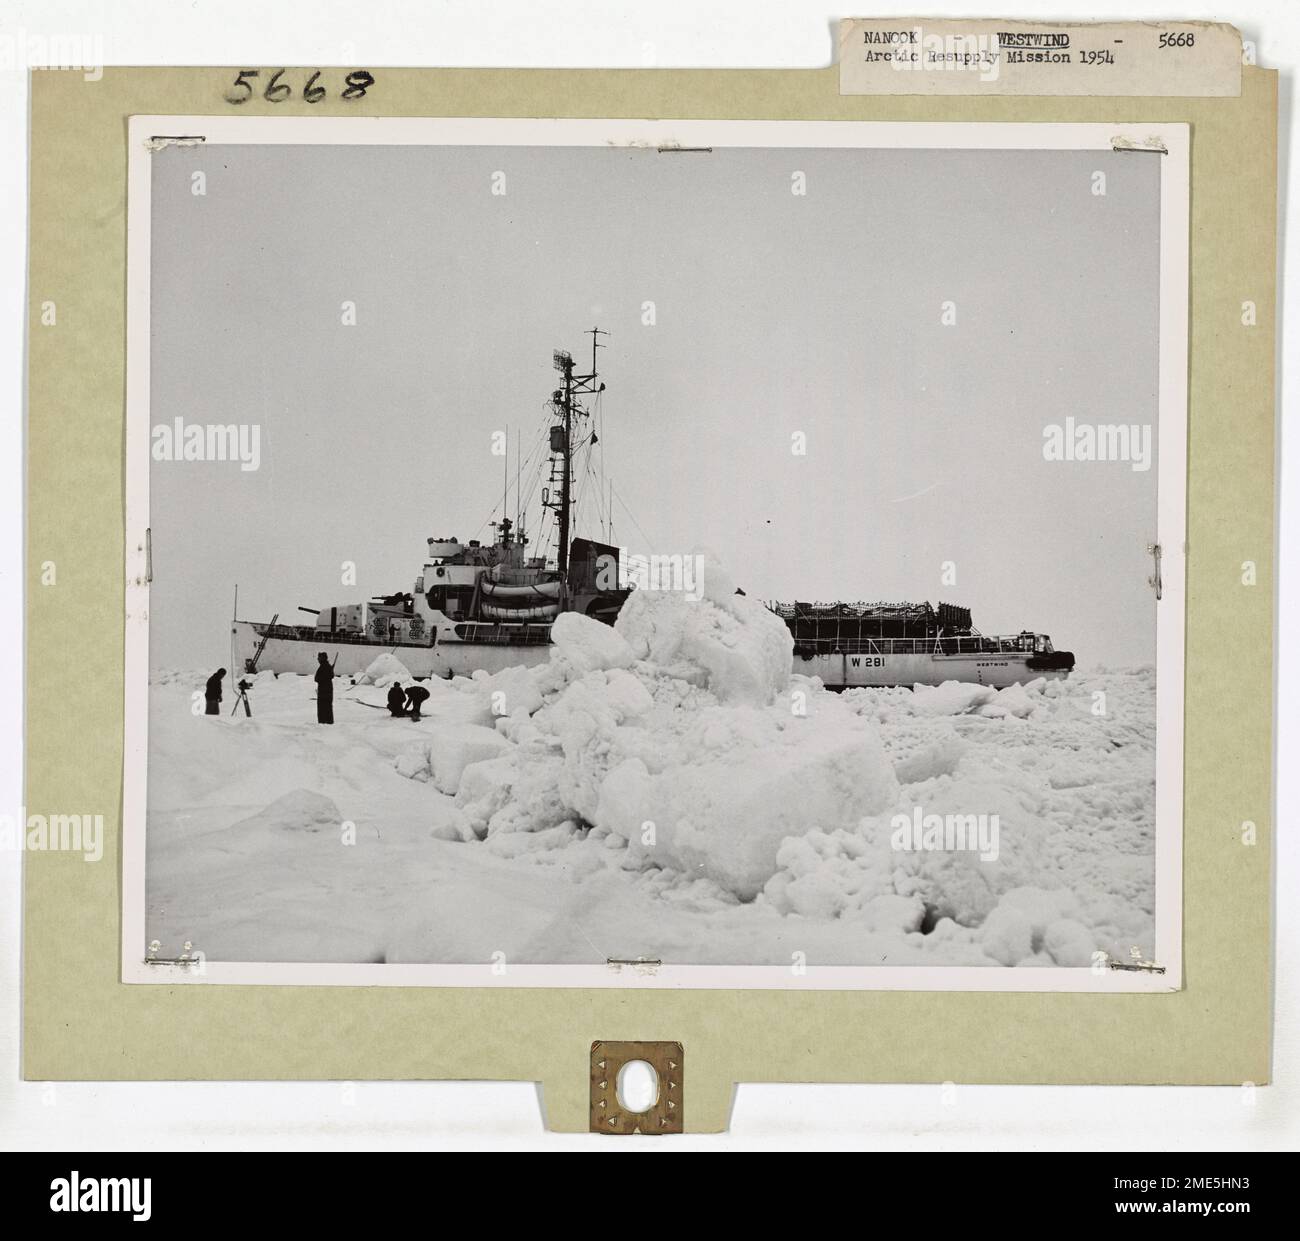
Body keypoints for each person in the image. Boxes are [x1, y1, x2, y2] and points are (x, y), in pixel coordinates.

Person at [314, 652, 335, 724]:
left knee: (322, 708)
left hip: (323, 691)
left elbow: (316, 678)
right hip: (328, 690)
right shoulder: (328, 666)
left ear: (322, 658)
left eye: (319, 658)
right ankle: (329, 722)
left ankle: (323, 723)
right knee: (328, 707)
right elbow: (331, 676)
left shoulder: (322, 667)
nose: (317, 659)